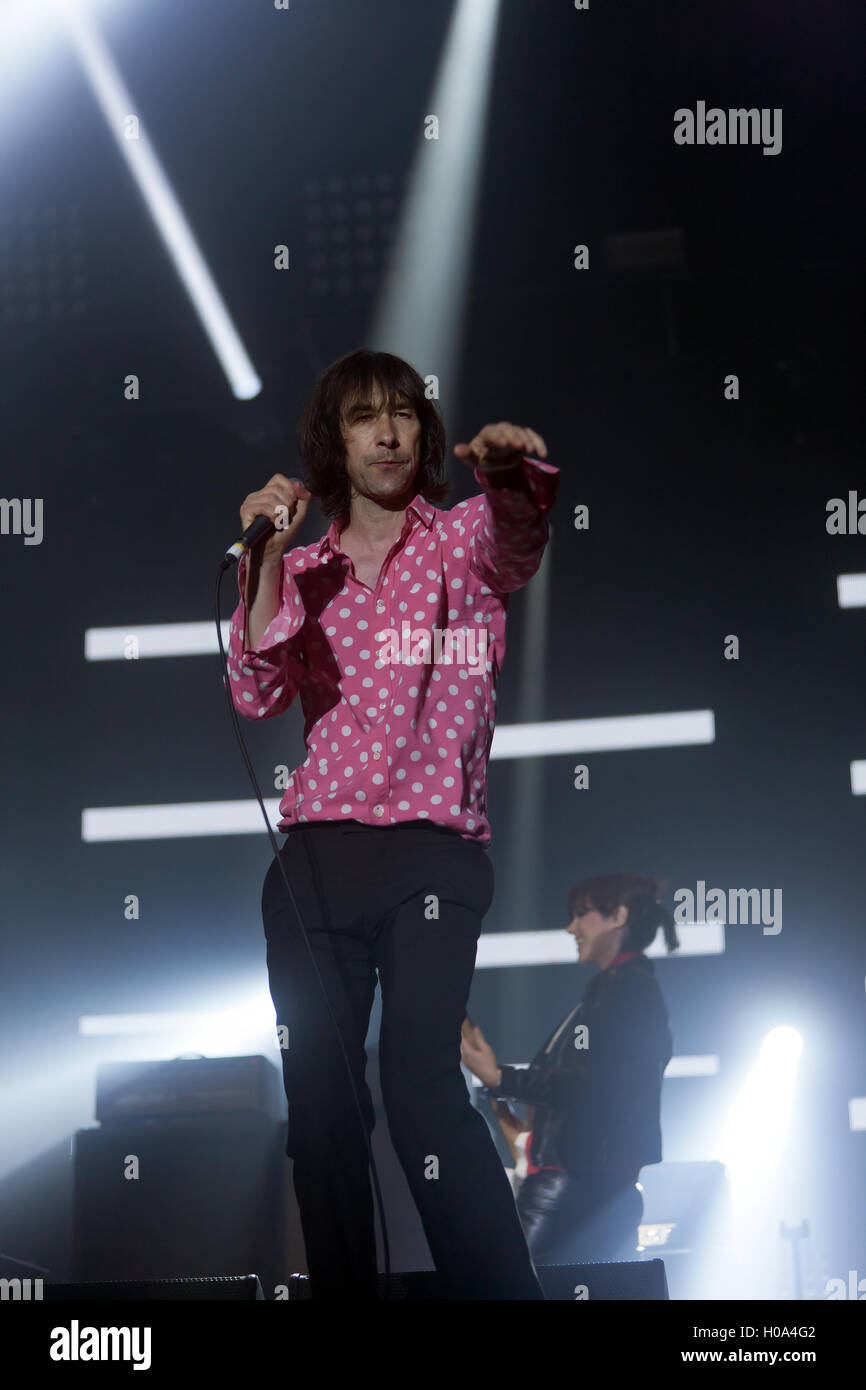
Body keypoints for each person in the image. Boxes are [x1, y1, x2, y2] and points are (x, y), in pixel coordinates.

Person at [225, 348, 559, 1299]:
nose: (387, 432)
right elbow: (253, 693)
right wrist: (266, 554)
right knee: (322, 1108)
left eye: (404, 414)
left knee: (419, 1088)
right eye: (364, 417)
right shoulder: (307, 571)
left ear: (424, 431)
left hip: (430, 855)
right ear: (334, 440)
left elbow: (519, 540)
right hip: (317, 866)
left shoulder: (459, 542)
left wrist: (510, 475)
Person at [462, 873, 676, 1265]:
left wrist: (500, 1078)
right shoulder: (625, 988)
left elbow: (591, 1084)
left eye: (582, 914)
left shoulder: (620, 989)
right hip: (594, 1181)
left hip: (571, 1181)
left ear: (618, 917)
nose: (571, 927)